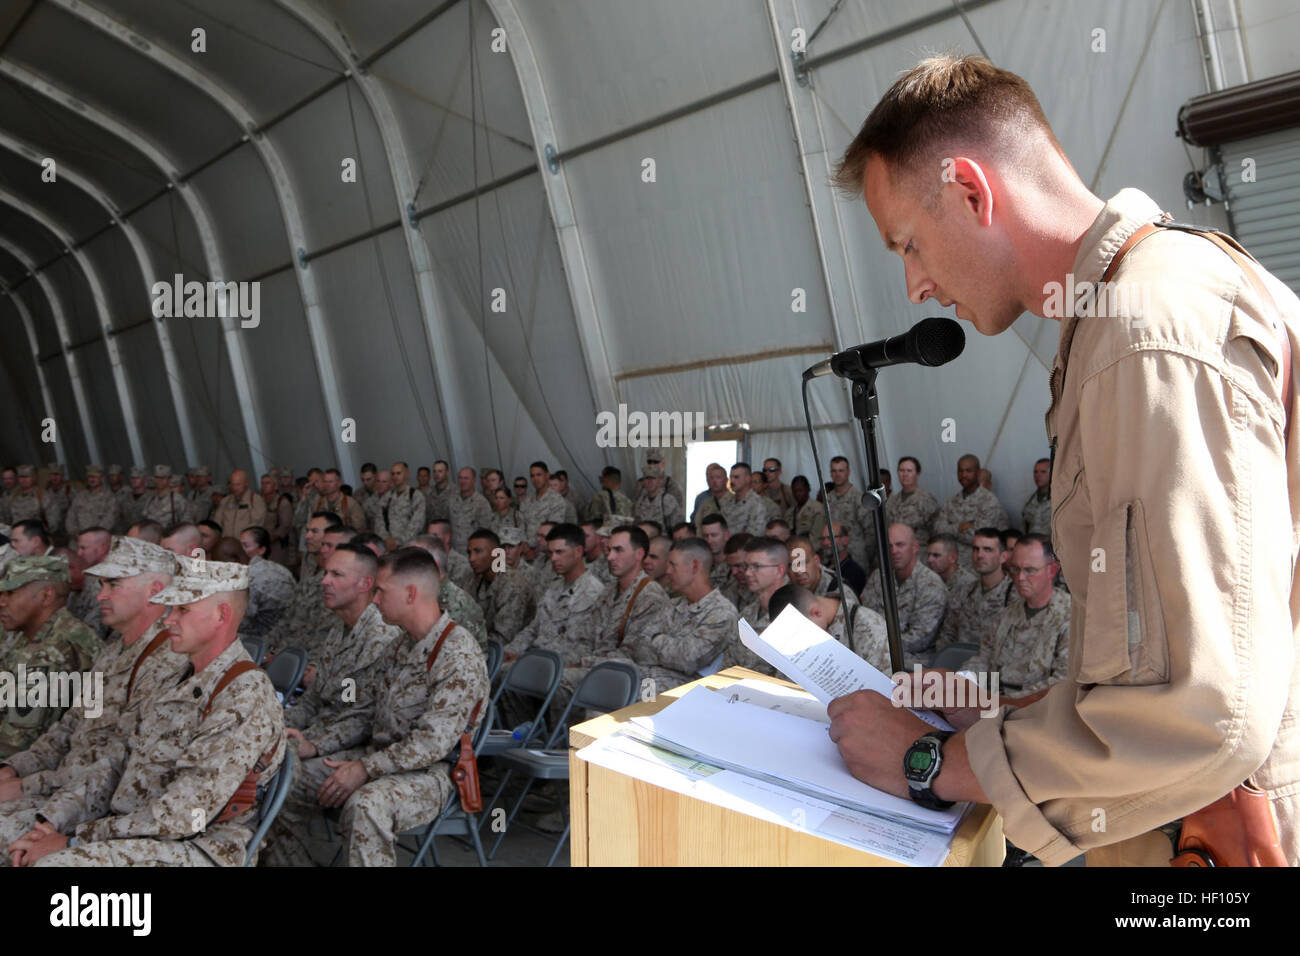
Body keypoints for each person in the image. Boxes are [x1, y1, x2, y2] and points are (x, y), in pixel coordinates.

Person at [825, 52, 1300, 866]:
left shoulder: (1144, 336)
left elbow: (1204, 713)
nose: (915, 286)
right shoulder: (1134, 311)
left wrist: (931, 763)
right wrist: (1005, 725)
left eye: (908, 244)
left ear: (973, 191)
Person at [10, 554, 283, 866]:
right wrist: (54, 819)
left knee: (52, 864)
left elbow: (182, 816)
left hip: (198, 847)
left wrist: (74, 839)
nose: (167, 619)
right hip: (131, 828)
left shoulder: (242, 695)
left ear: (221, 616)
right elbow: (116, 761)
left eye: (183, 609)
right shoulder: (174, 677)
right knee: (12, 838)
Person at [0, 537, 188, 855]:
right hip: (63, 789)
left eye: (113, 585)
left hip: (96, 810)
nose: (100, 595)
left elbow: (117, 767)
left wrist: (28, 788)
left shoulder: (168, 662)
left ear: (155, 590)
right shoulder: (114, 652)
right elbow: (69, 728)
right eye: (101, 584)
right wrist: (15, 769)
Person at [0, 557, 103, 759]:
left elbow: (16, 745)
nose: (1, 602)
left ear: (46, 596)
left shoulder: (51, 652)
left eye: (11, 593)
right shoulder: (34, 635)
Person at [962, 535, 1070, 696]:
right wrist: (963, 679)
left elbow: (1063, 680)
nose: (1020, 578)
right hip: (993, 701)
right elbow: (983, 658)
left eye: (1030, 570)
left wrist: (1007, 701)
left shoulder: (1070, 617)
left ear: (1052, 570)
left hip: (1036, 709)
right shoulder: (1006, 615)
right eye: (1015, 569)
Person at [860, 523, 947, 665]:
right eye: (889, 546)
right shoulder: (878, 577)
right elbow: (867, 618)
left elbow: (920, 638)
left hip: (914, 660)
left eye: (900, 545)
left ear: (915, 547)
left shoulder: (931, 584)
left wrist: (880, 646)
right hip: (874, 652)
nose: (894, 551)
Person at [769, 583, 888, 672]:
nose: (801, 642)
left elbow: (884, 690)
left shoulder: (868, 627)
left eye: (801, 634)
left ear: (816, 612)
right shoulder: (815, 621)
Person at [935, 527, 1016, 653]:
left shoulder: (1014, 594)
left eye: (987, 550)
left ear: (1003, 557)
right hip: (958, 665)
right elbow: (947, 635)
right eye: (975, 549)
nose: (979, 555)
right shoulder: (964, 591)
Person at [930, 454, 1009, 568]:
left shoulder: (989, 501)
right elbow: (937, 529)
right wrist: (959, 527)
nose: (963, 475)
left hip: (975, 567)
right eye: (960, 471)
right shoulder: (951, 501)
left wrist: (950, 529)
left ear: (978, 472)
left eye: (968, 471)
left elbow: (978, 537)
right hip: (951, 565)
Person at [883, 456, 939, 545]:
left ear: (917, 474)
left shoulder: (925, 499)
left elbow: (936, 530)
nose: (905, 474)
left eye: (909, 471)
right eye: (901, 470)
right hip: (895, 552)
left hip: (918, 551)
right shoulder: (892, 500)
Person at [214, 469, 267, 540]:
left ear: (246, 483)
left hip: (246, 544)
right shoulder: (225, 501)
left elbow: (257, 525)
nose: (235, 488)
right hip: (227, 543)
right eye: (233, 484)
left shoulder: (256, 500)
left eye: (238, 484)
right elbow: (217, 523)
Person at [924, 532, 977, 603]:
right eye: (929, 555)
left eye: (936, 555)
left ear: (952, 558)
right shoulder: (928, 579)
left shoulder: (969, 586)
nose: (929, 560)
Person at [1021, 458, 1052, 535]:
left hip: (1050, 545)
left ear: (1052, 473)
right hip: (1032, 544)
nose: (1038, 475)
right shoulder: (1029, 500)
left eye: (1043, 472)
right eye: (1035, 472)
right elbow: (1024, 527)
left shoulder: (1061, 500)